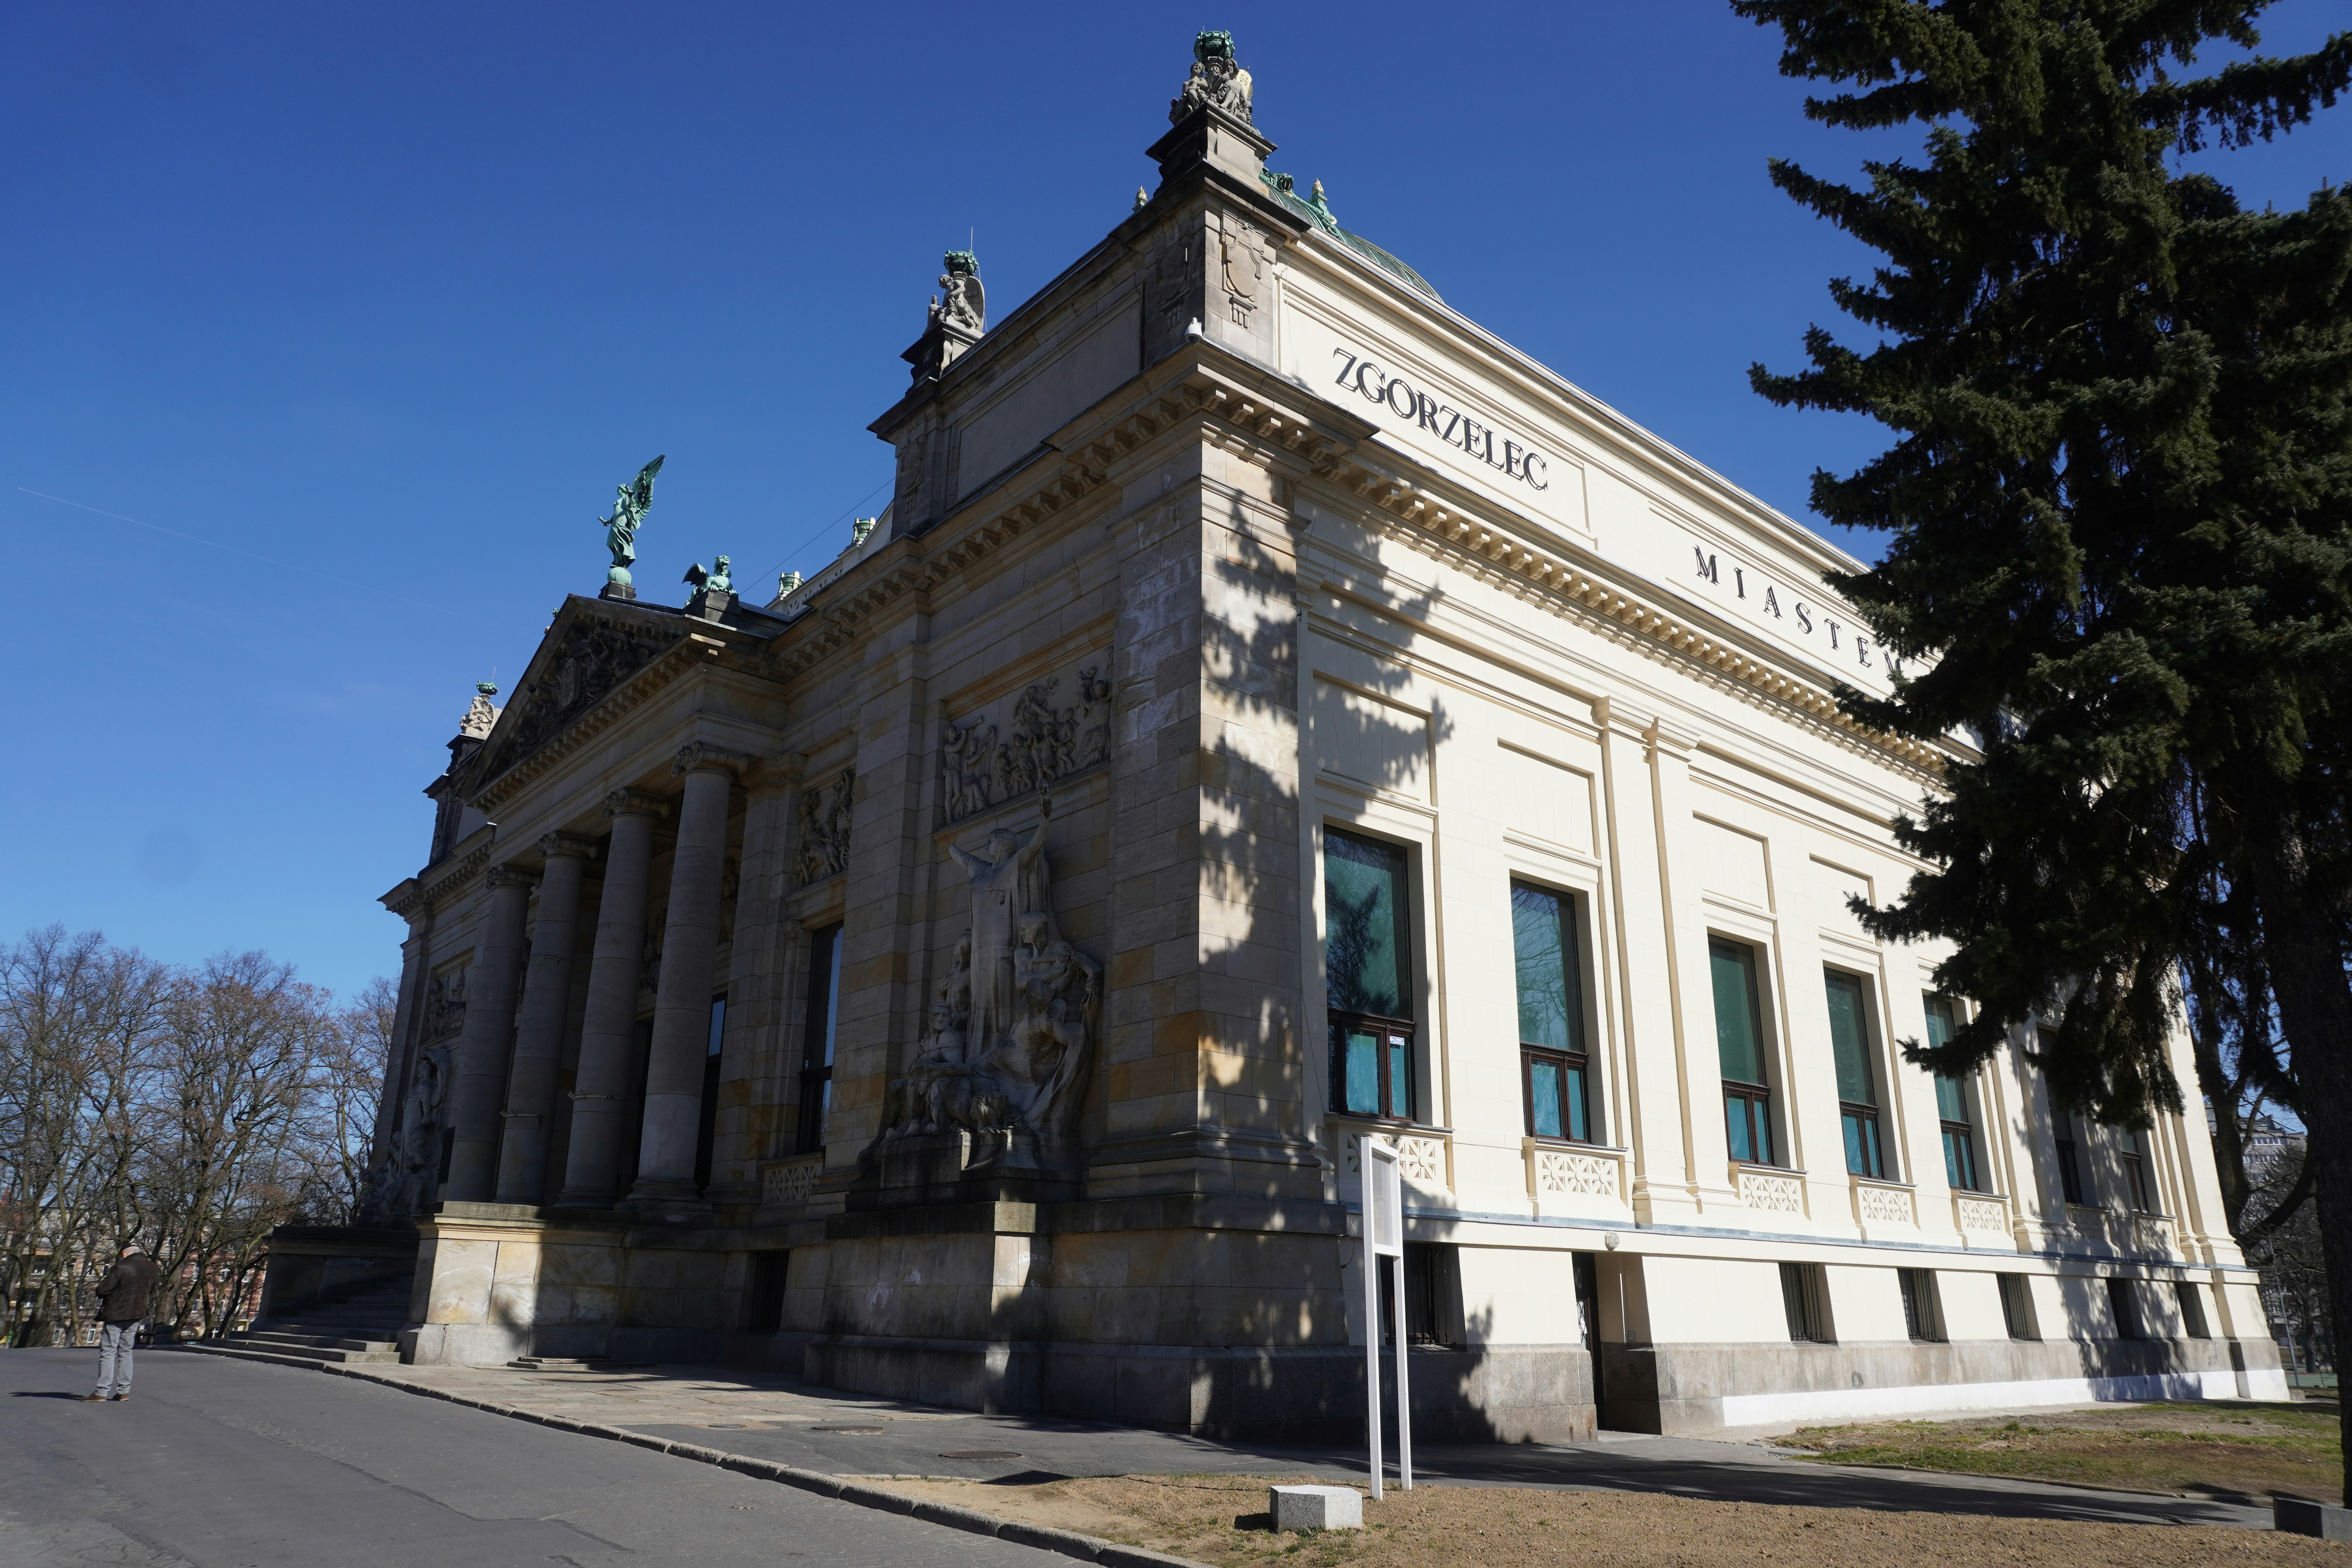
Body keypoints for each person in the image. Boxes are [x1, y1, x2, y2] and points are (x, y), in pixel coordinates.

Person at [82, 1243, 162, 1403]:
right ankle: (124, 1392)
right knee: (126, 1352)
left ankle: (102, 1392)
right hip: (136, 1314)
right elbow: (152, 1290)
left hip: (115, 1314)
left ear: (125, 1254)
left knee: (109, 1352)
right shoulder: (152, 1268)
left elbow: (102, 1291)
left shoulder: (121, 1267)